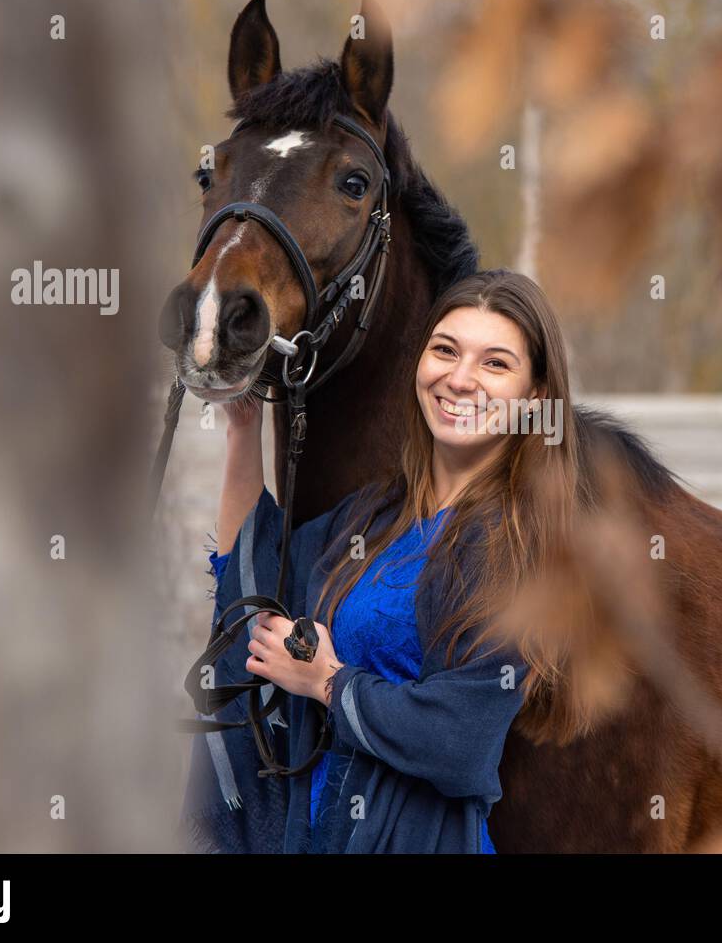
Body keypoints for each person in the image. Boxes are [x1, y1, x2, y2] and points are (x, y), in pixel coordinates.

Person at [179, 268, 582, 853]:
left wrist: (327, 683)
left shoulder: (517, 546)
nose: (460, 378)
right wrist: (242, 428)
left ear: (536, 397)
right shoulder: (374, 516)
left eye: (495, 364)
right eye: (445, 350)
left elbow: (460, 738)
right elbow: (257, 579)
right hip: (319, 830)